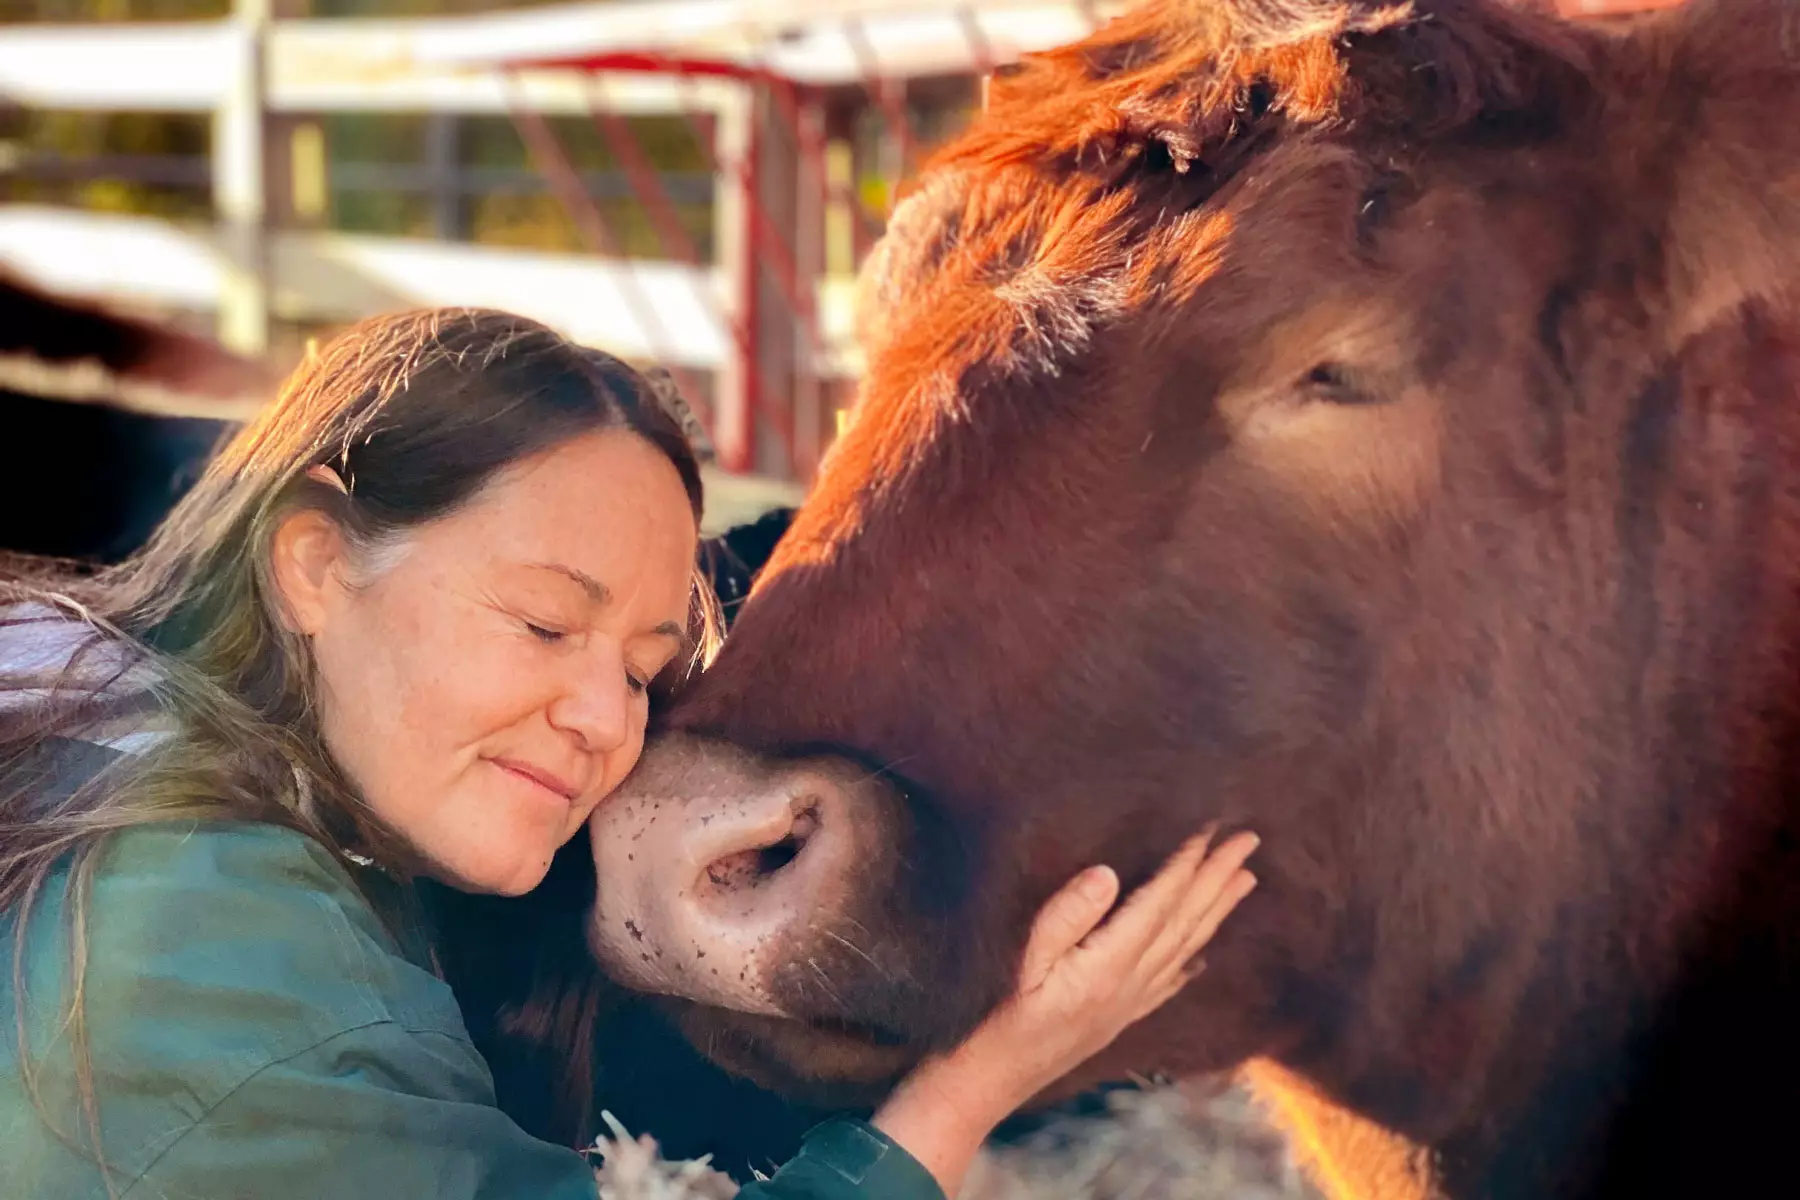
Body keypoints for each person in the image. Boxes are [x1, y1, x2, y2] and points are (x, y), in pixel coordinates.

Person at [0, 308, 1260, 1200]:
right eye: (547, 622)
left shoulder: (107, 712)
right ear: (316, 565)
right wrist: (982, 1079)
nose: (612, 728)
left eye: (646, 673)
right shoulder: (203, 951)